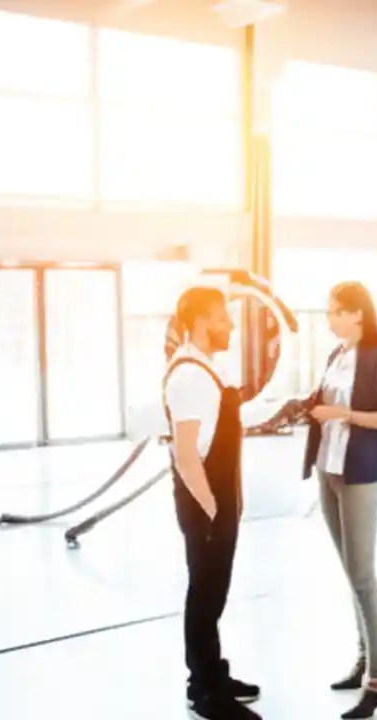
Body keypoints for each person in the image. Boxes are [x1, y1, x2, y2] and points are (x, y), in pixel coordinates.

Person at [301, 281, 377, 720]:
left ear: (357, 314)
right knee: (351, 570)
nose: (329, 319)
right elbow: (324, 406)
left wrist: (342, 414)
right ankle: (364, 659)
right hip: (329, 469)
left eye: (334, 312)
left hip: (360, 471)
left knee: (363, 574)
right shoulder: (337, 356)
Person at [163, 286, 261, 720]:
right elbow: (186, 454)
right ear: (201, 323)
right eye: (223, 319)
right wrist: (214, 511)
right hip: (207, 505)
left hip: (217, 501)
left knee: (212, 592)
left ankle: (211, 674)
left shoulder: (205, 370)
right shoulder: (189, 376)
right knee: (204, 594)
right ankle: (205, 692)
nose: (231, 326)